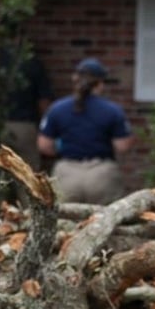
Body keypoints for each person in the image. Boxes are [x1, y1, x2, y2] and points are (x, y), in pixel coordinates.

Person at [37, 57, 133, 204]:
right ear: (100, 84)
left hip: (67, 174)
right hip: (102, 174)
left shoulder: (56, 109)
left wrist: (62, 147)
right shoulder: (112, 111)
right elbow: (123, 146)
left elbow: (44, 145)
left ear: (75, 79)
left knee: (64, 223)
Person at [2, 50, 53, 171]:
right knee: (28, 176)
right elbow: (44, 101)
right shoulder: (31, 62)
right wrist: (46, 130)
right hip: (25, 125)